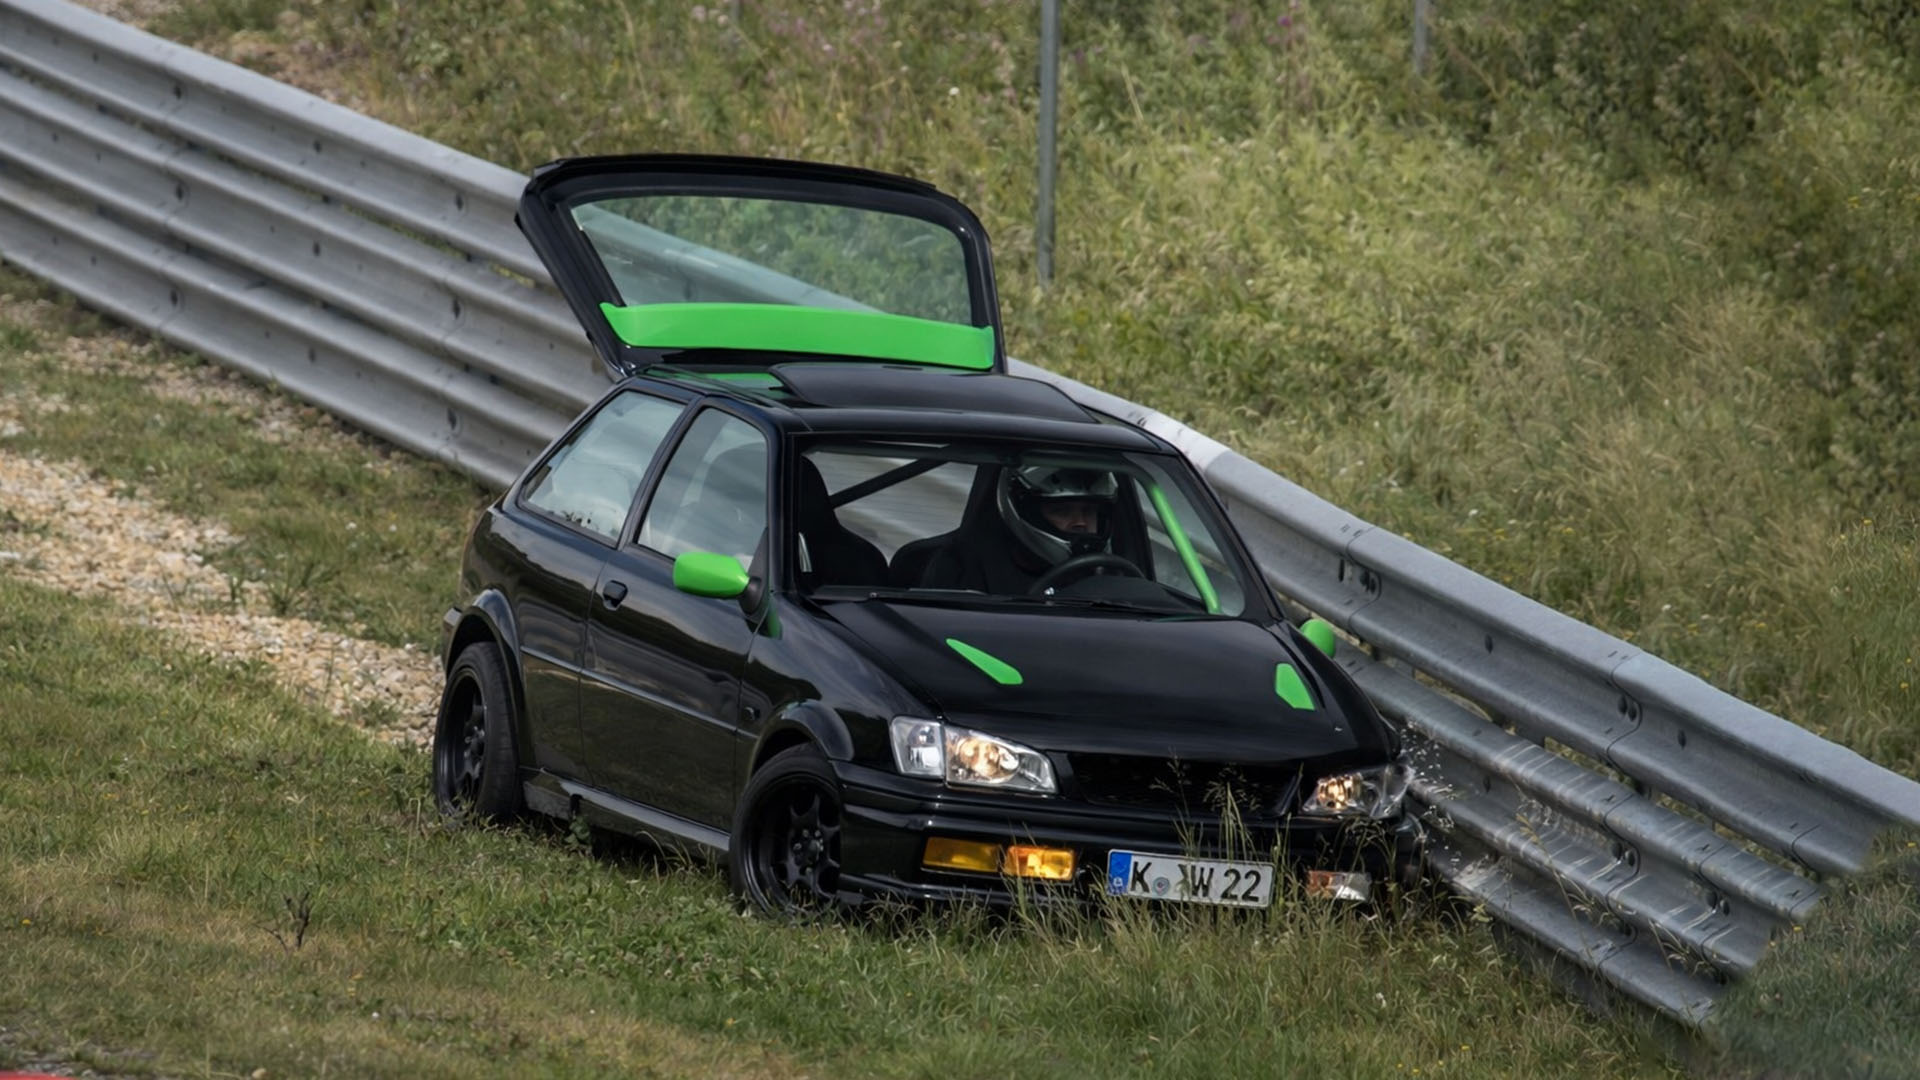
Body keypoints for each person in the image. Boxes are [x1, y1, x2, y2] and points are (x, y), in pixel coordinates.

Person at [917, 463, 1122, 593]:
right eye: (1062, 511)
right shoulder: (964, 568)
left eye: (1089, 511)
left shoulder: (1114, 576)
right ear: (1027, 511)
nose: (1080, 523)